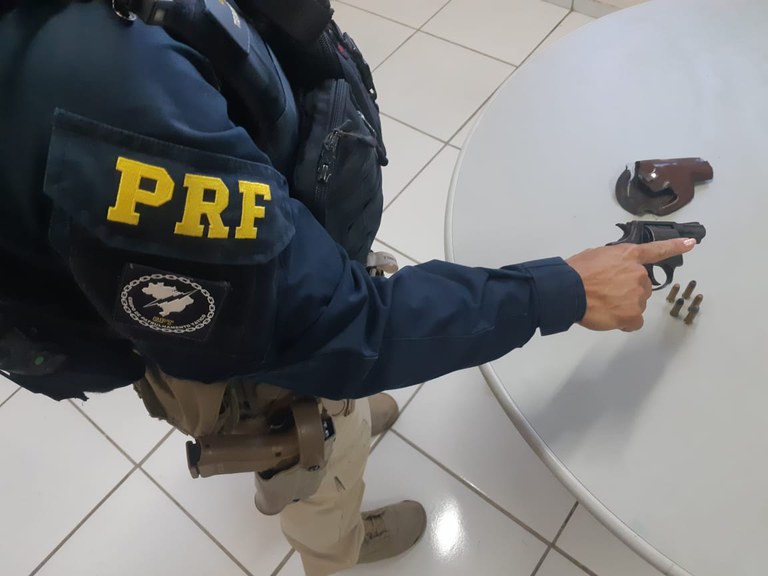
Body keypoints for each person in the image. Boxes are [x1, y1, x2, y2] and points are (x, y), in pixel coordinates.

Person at [0, 1, 696, 575]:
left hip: (278, 256)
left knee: (338, 395)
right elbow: (331, 327)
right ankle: (336, 549)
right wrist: (564, 290)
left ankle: (344, 418)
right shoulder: (110, 87)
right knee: (316, 454)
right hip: (258, 333)